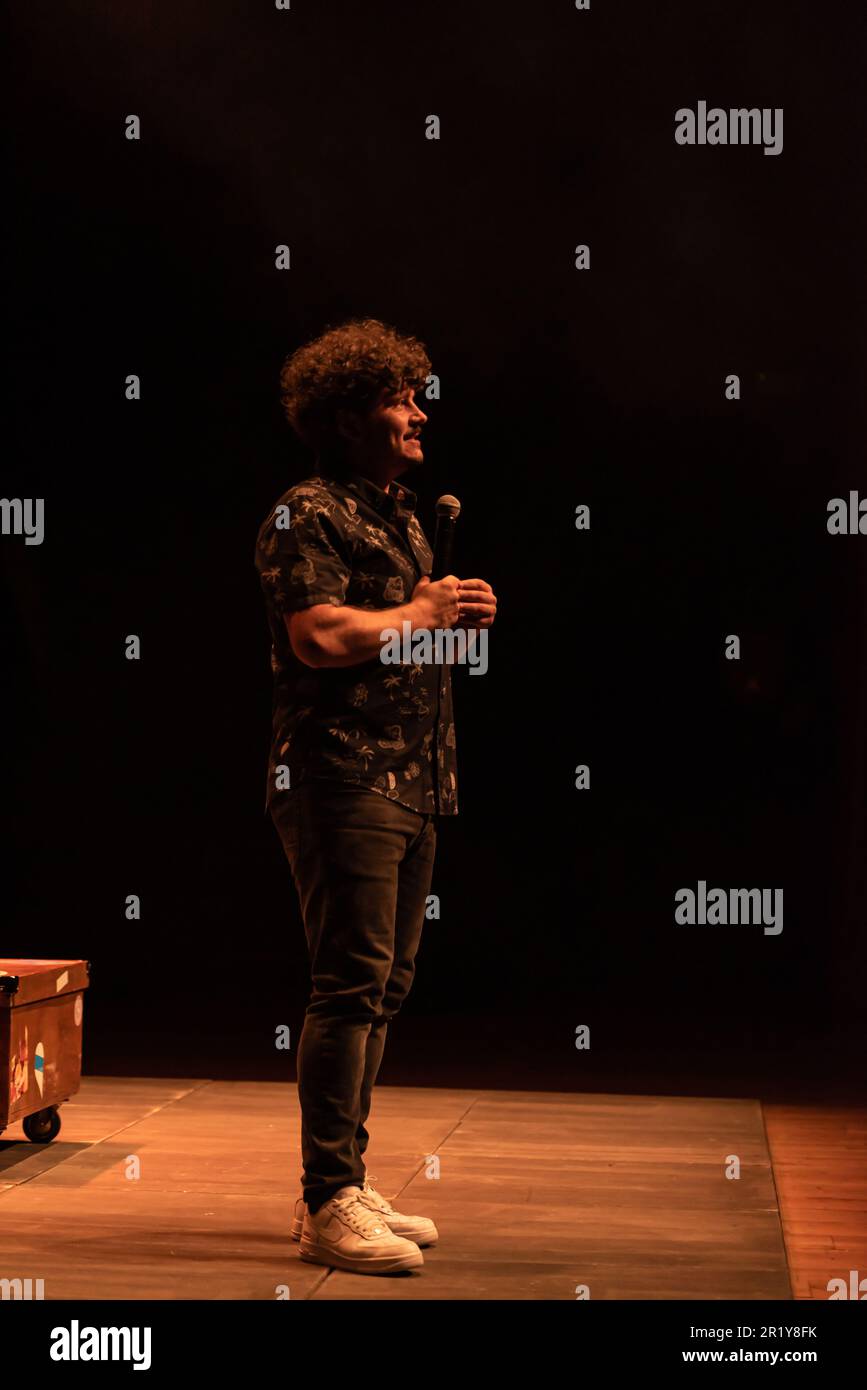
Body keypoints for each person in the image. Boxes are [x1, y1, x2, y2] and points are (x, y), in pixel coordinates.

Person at [254, 318, 497, 1274]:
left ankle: (347, 1181)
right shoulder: (303, 513)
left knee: (384, 988)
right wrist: (419, 611)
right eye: (400, 398)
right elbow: (316, 639)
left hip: (413, 777)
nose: (418, 411)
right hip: (338, 774)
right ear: (350, 416)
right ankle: (325, 1201)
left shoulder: (399, 514)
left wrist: (452, 620)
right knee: (349, 984)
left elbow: (402, 643)